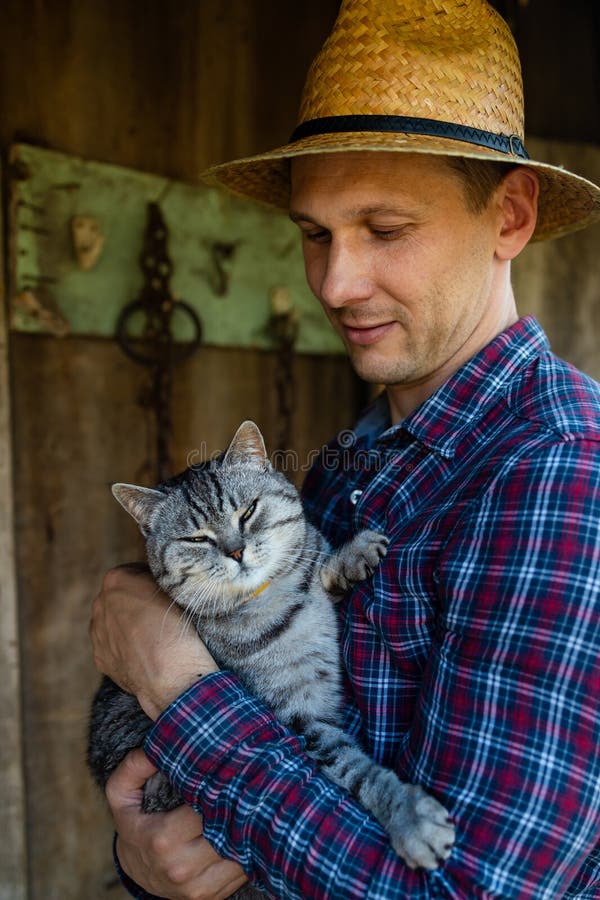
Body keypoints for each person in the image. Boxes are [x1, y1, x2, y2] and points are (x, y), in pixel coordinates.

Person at [90, 1, 600, 897]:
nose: (335, 281)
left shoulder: (562, 474)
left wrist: (179, 687)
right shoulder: (350, 463)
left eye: (385, 230)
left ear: (510, 217)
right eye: (315, 233)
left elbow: (467, 890)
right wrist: (148, 859)